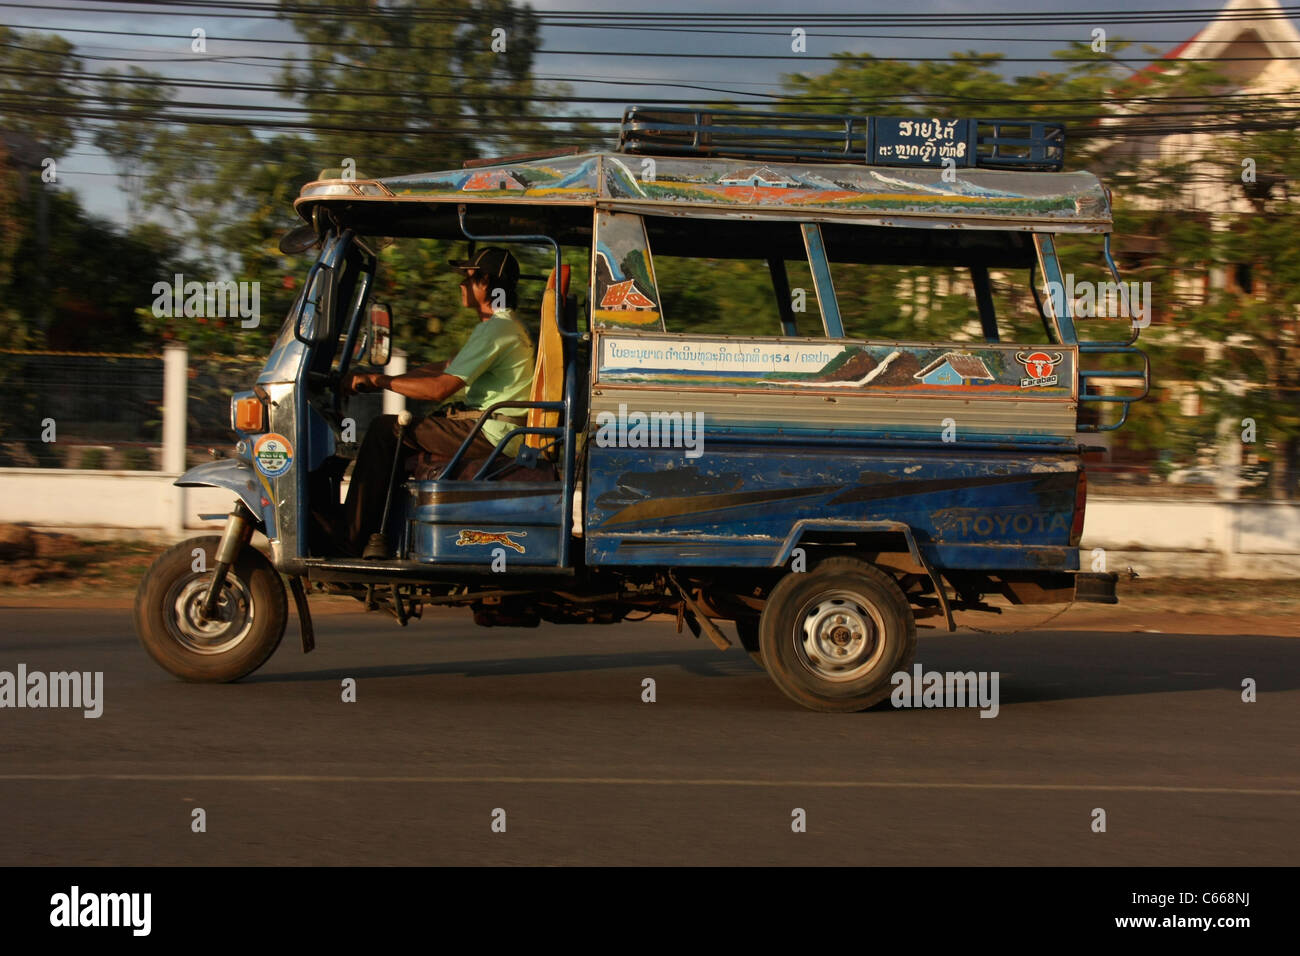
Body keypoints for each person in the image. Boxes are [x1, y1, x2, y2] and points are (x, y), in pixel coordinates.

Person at [339, 247, 534, 555]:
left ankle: (348, 541)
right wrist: (373, 377)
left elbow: (439, 389)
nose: (461, 286)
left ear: (486, 283)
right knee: (399, 436)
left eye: (467, 278)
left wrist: (380, 381)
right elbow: (446, 367)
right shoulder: (501, 325)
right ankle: (384, 536)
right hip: (493, 431)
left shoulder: (497, 330)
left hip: (491, 435)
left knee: (383, 430)